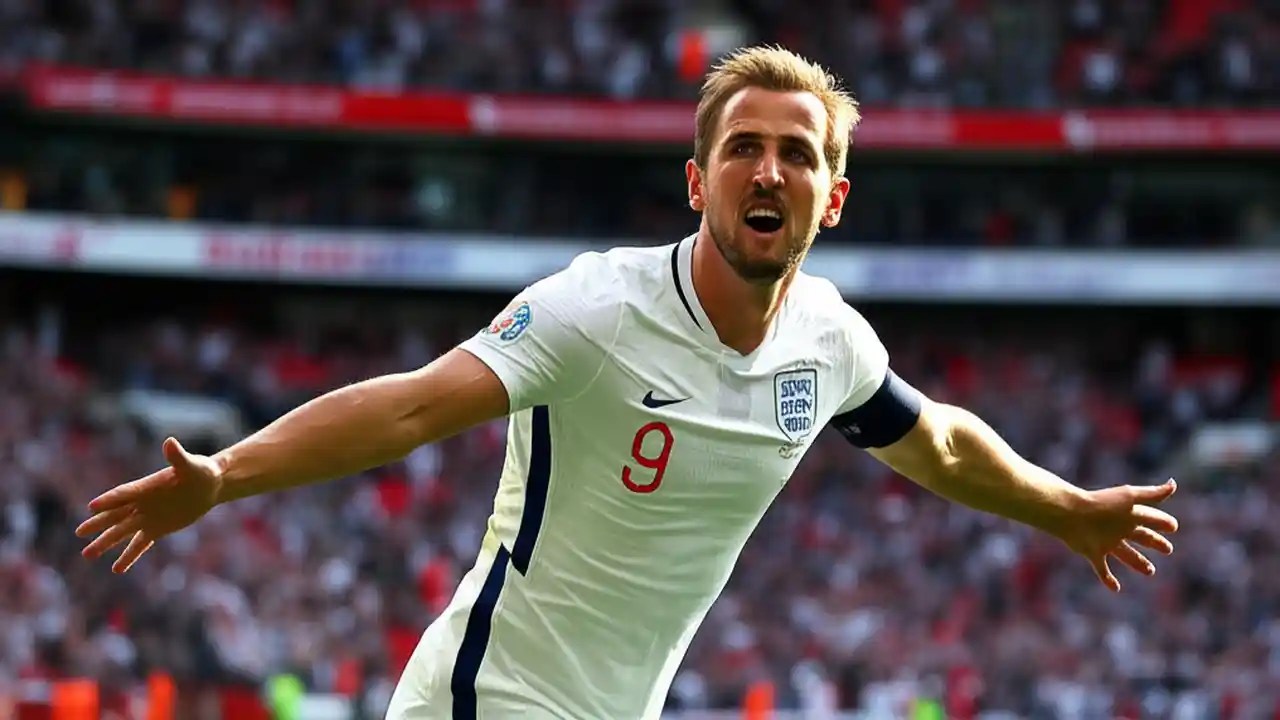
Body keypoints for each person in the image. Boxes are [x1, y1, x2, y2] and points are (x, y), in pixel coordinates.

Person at [76, 45, 1180, 719]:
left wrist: (1064, 509)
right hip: (486, 701)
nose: (768, 169)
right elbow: (410, 403)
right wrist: (224, 475)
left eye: (797, 154)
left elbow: (932, 440)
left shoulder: (829, 342)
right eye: (744, 148)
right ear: (698, 182)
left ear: (830, 200)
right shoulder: (596, 310)